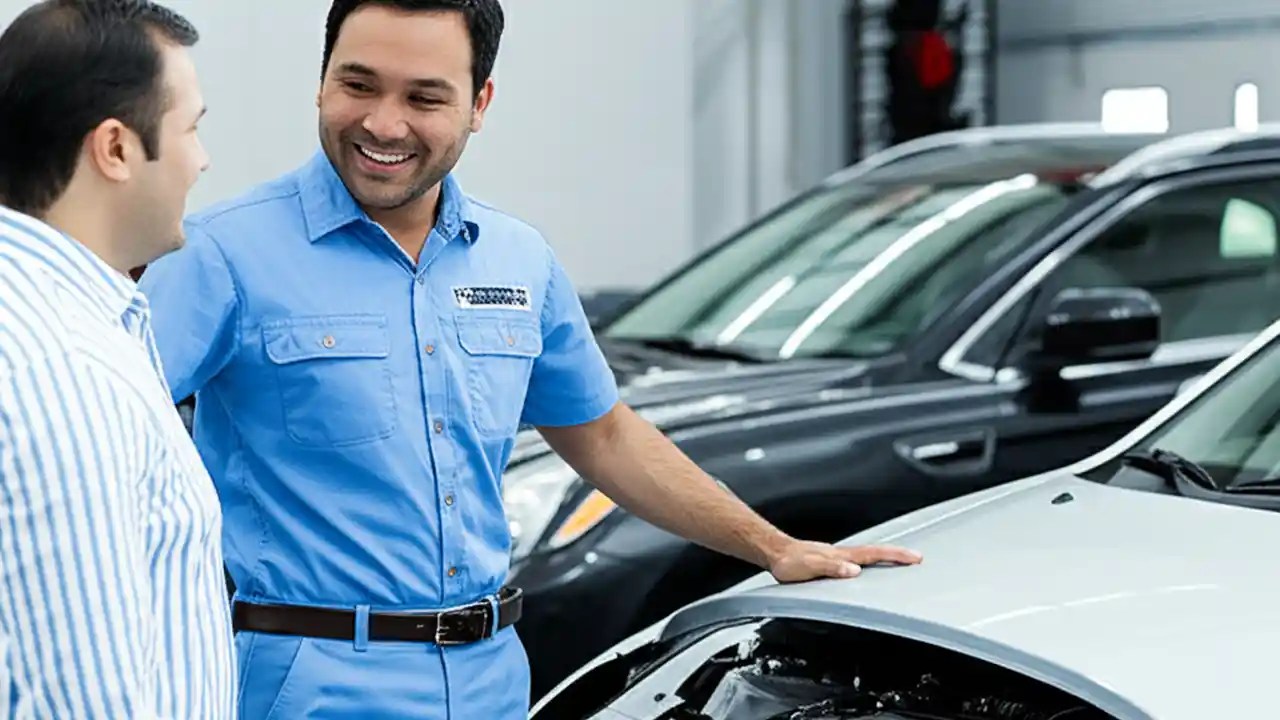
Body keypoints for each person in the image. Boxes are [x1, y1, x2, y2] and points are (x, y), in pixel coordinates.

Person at [138, 0, 922, 717]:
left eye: (424, 97)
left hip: (492, 682)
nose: (383, 123)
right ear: (320, 83)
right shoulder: (219, 256)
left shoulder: (517, 260)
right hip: (304, 687)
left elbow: (606, 436)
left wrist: (774, 547)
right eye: (358, 85)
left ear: (479, 104)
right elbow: (104, 441)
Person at [0, 1, 235, 718]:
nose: (202, 158)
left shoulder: (69, 324)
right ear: (115, 148)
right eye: (190, 127)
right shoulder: (61, 368)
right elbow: (84, 701)